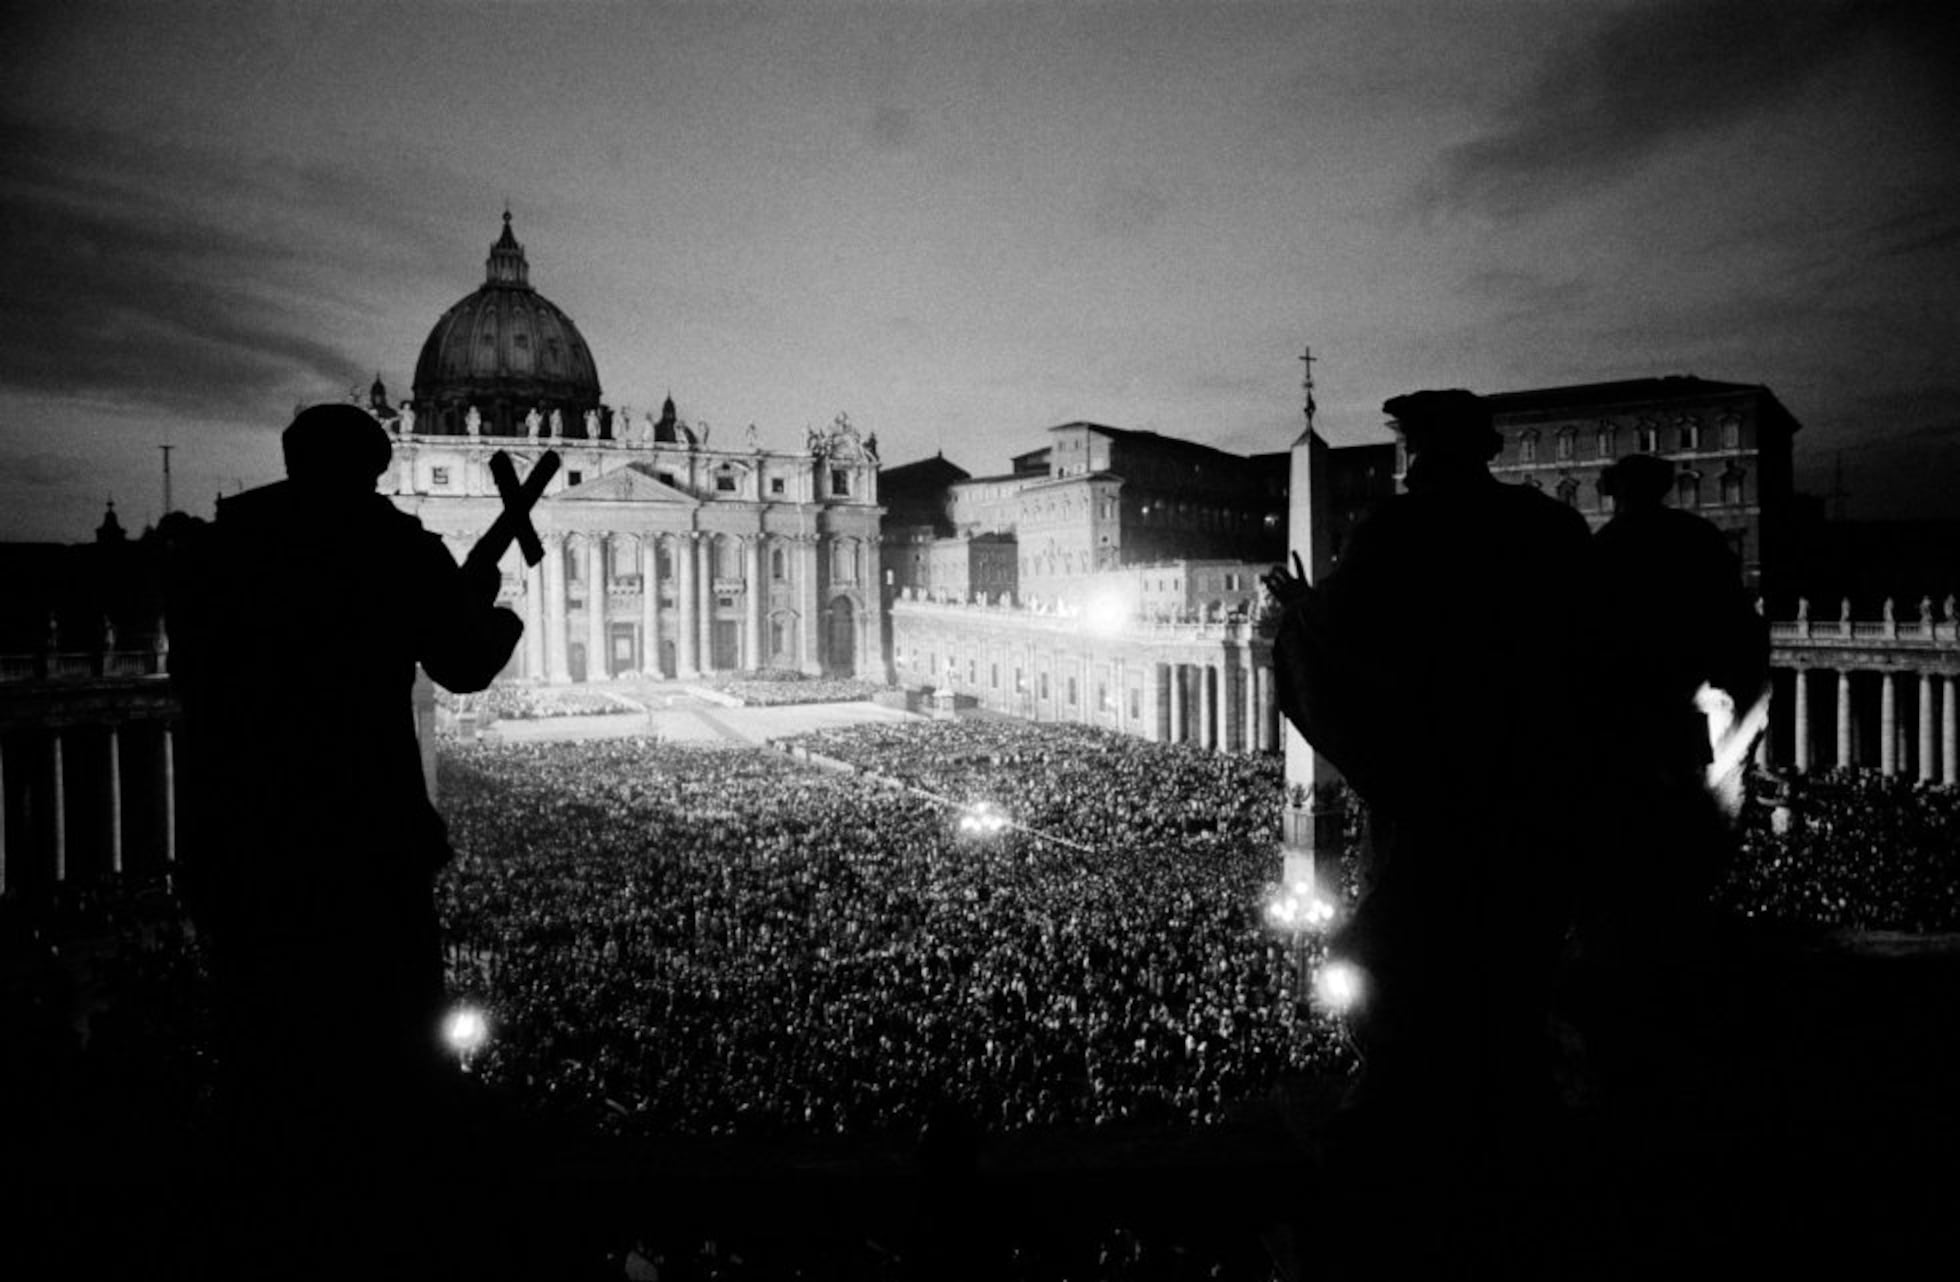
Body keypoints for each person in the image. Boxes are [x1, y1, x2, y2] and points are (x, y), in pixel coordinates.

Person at [1267, 389, 1595, 1268]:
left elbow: (1345, 640)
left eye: (1410, 448)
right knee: (1514, 965)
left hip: (1438, 785)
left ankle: (1409, 1130)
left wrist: (1299, 610)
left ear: (1427, 452)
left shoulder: (1399, 531)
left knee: (1409, 959)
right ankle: (1518, 1114)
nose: (1407, 466)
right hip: (1532, 789)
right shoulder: (1551, 530)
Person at [169, 403, 521, 1174]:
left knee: (263, 1019)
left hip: (247, 820)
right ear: (375, 467)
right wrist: (497, 614)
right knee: (389, 1010)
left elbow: (189, 671)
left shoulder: (223, 547)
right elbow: (463, 663)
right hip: (366, 817)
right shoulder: (392, 544)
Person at [1575, 452, 1768, 1111]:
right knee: (1681, 862)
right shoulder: (1699, 542)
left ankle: (1626, 1039)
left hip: (1620, 731)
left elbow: (1581, 646)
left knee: (1622, 872)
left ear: (1615, 493)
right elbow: (1740, 630)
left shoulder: (1604, 550)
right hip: (1683, 722)